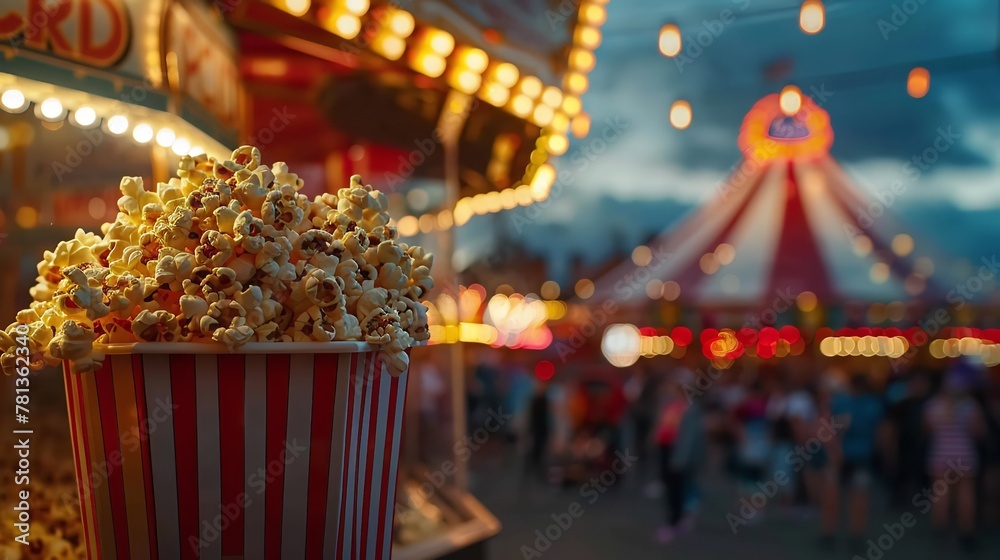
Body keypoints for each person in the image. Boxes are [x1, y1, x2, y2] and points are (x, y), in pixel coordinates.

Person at [924, 363, 984, 552]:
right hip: (964, 455)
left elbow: (927, 429)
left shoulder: (933, 406)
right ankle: (967, 533)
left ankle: (940, 531)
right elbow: (979, 431)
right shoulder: (970, 406)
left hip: (940, 454)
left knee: (941, 494)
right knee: (966, 495)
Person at [825, 372, 886, 551]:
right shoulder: (874, 404)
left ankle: (829, 533)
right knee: (858, 496)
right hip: (862, 456)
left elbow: (830, 429)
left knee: (835, 495)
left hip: (844, 456)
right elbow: (881, 432)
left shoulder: (840, 402)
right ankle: (855, 534)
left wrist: (834, 450)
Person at [654, 371, 705, 543]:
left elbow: (689, 436)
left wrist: (681, 458)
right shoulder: (669, 402)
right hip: (665, 448)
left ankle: (675, 521)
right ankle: (679, 517)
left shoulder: (691, 408)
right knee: (670, 486)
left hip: (678, 452)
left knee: (677, 488)